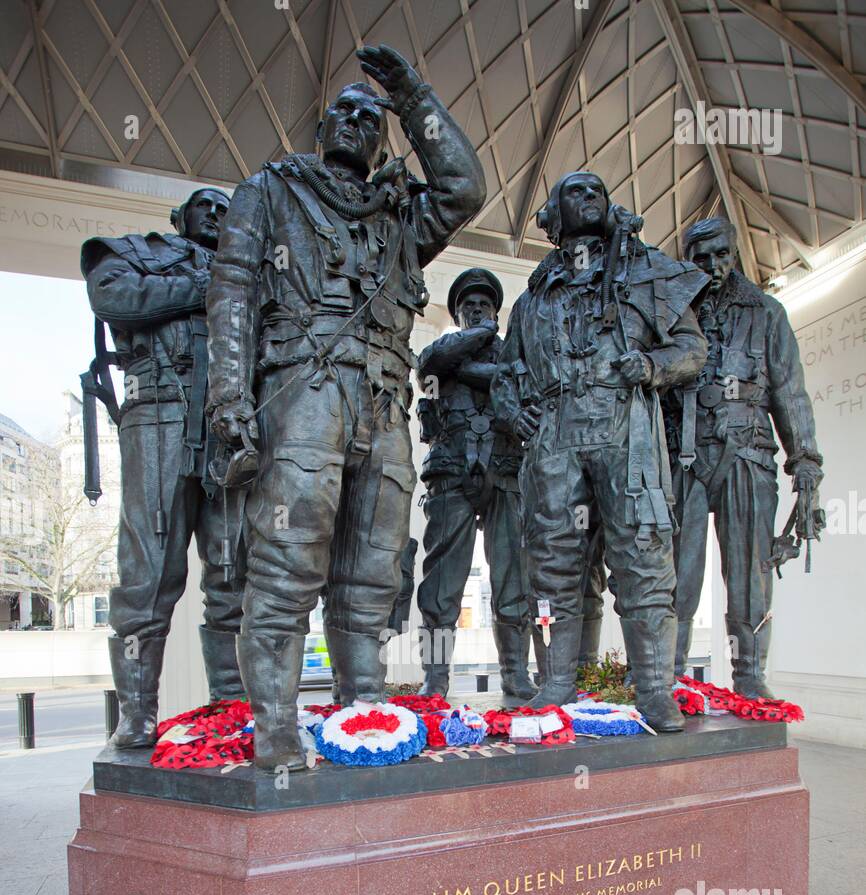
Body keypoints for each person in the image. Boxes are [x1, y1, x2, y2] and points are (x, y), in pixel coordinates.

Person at [206, 46, 485, 770]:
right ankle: (273, 726)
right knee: (287, 567)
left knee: (373, 576)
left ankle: (365, 714)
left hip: (385, 404)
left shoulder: (402, 216)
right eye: (346, 113)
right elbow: (231, 292)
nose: (359, 123)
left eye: (372, 118)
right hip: (303, 394)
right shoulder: (270, 191)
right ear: (322, 126)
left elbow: (462, 187)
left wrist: (414, 96)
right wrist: (230, 400)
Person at [491, 171, 708, 731]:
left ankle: (656, 688)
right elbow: (504, 374)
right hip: (554, 438)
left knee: (643, 557)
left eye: (596, 191)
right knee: (552, 566)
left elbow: (693, 350)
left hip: (625, 427)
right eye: (574, 191)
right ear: (554, 214)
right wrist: (516, 413)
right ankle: (557, 680)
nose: (588, 197)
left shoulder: (645, 273)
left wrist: (655, 367)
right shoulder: (532, 298)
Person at [82, 187, 244, 747]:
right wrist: (204, 288)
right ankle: (138, 712)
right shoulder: (135, 253)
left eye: (227, 210)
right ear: (179, 217)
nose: (219, 215)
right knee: (149, 574)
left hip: (227, 430)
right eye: (206, 205)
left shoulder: (247, 272)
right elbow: (112, 297)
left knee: (234, 573)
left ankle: (234, 703)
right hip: (158, 419)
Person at [665, 217, 824, 697]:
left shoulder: (767, 312)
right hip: (684, 459)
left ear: (734, 254)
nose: (713, 267)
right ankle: (664, 680)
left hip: (747, 456)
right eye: (701, 258)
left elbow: (790, 394)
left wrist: (806, 464)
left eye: (722, 255)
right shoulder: (670, 313)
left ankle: (750, 677)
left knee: (751, 575)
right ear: (686, 260)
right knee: (675, 577)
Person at [415, 267, 538, 705]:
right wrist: (474, 350)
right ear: (459, 315)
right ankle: (435, 676)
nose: (478, 311)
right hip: (450, 475)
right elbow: (428, 363)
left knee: (512, 580)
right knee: (441, 586)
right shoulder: (442, 353)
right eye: (469, 307)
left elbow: (524, 385)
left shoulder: (514, 357)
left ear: (497, 312)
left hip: (506, 474)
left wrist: (472, 369)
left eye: (485, 306)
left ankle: (516, 675)